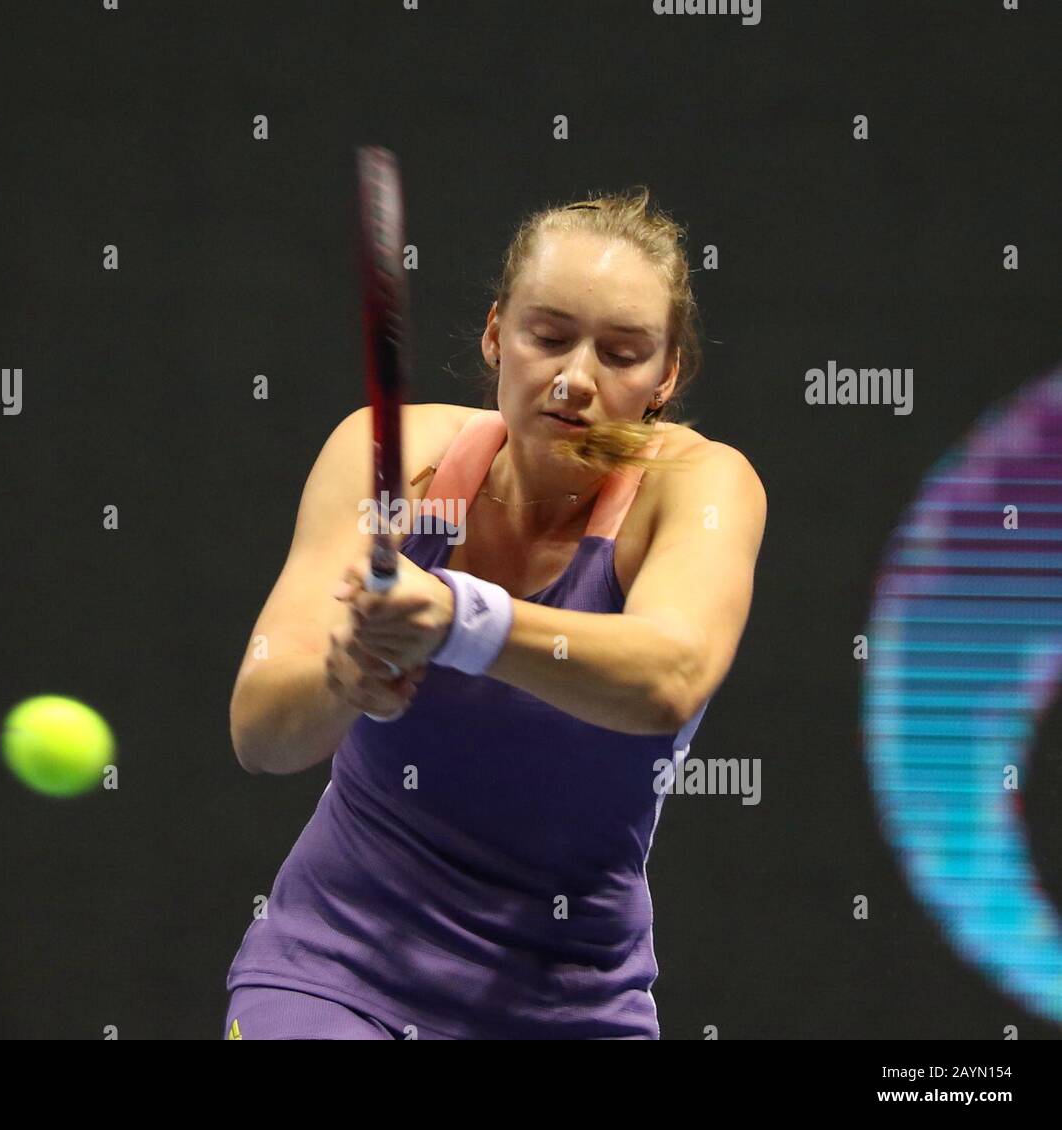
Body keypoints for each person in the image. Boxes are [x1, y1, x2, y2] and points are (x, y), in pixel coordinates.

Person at [225, 190, 767, 1039]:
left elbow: (670, 675)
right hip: (334, 972)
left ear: (667, 377)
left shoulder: (702, 486)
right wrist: (346, 672)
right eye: (547, 337)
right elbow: (262, 734)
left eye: (621, 354)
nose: (573, 378)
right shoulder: (392, 459)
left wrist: (455, 617)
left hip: (572, 1002)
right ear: (493, 334)